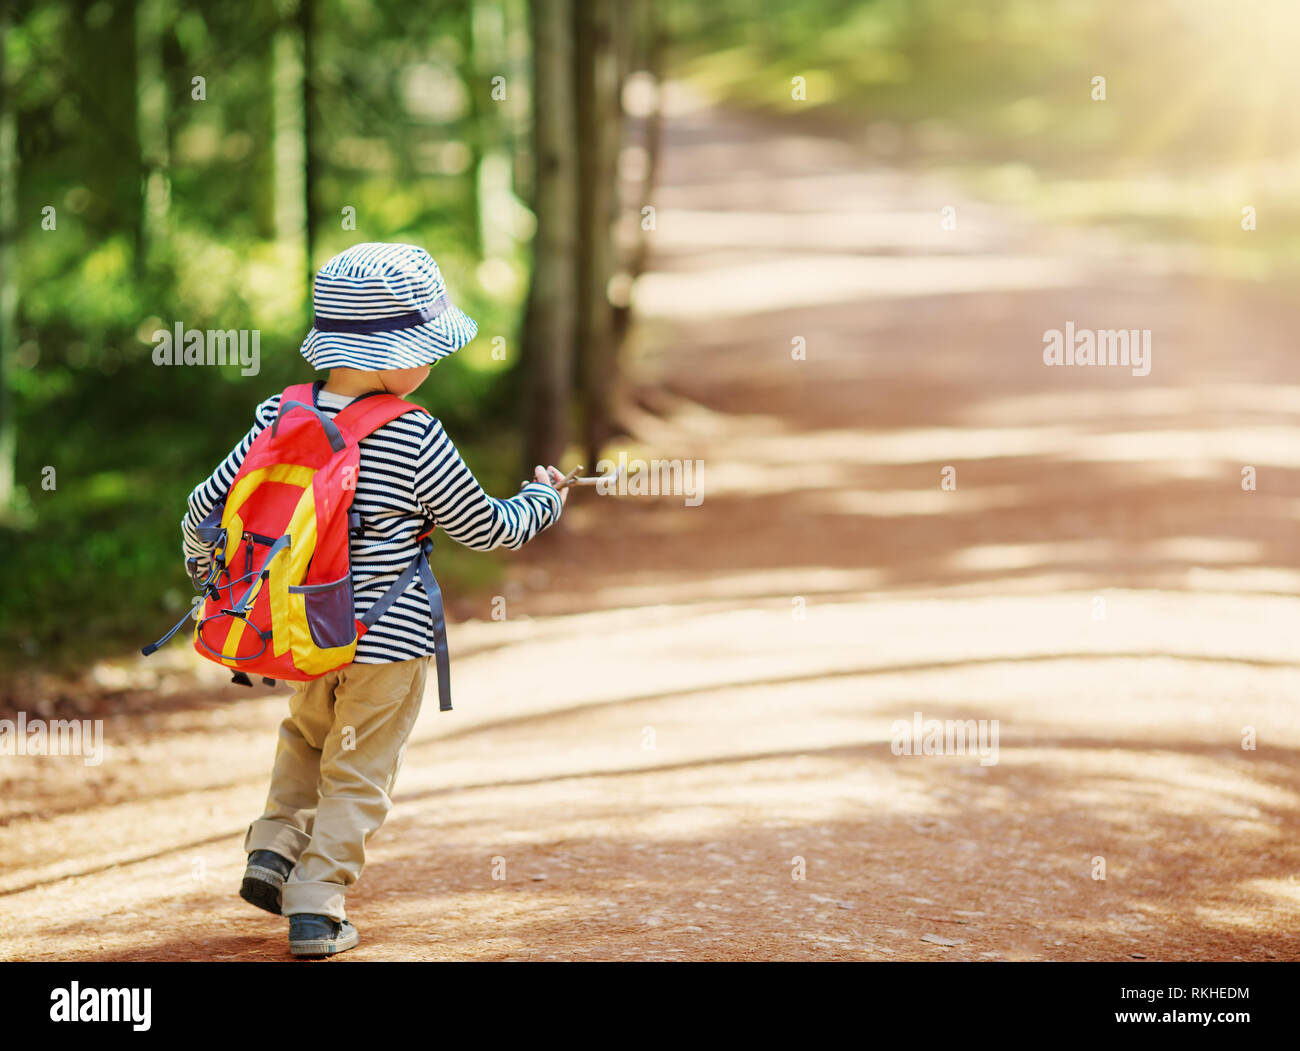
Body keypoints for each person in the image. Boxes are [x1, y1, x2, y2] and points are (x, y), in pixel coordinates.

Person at [180, 242, 566, 957]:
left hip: (302, 632)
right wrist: (542, 500)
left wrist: (211, 581)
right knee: (357, 772)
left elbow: (204, 510)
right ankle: (318, 904)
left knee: (304, 739)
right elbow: (486, 525)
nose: (434, 363)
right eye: (429, 348)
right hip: (389, 644)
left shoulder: (278, 414)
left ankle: (271, 848)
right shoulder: (415, 432)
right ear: (397, 356)